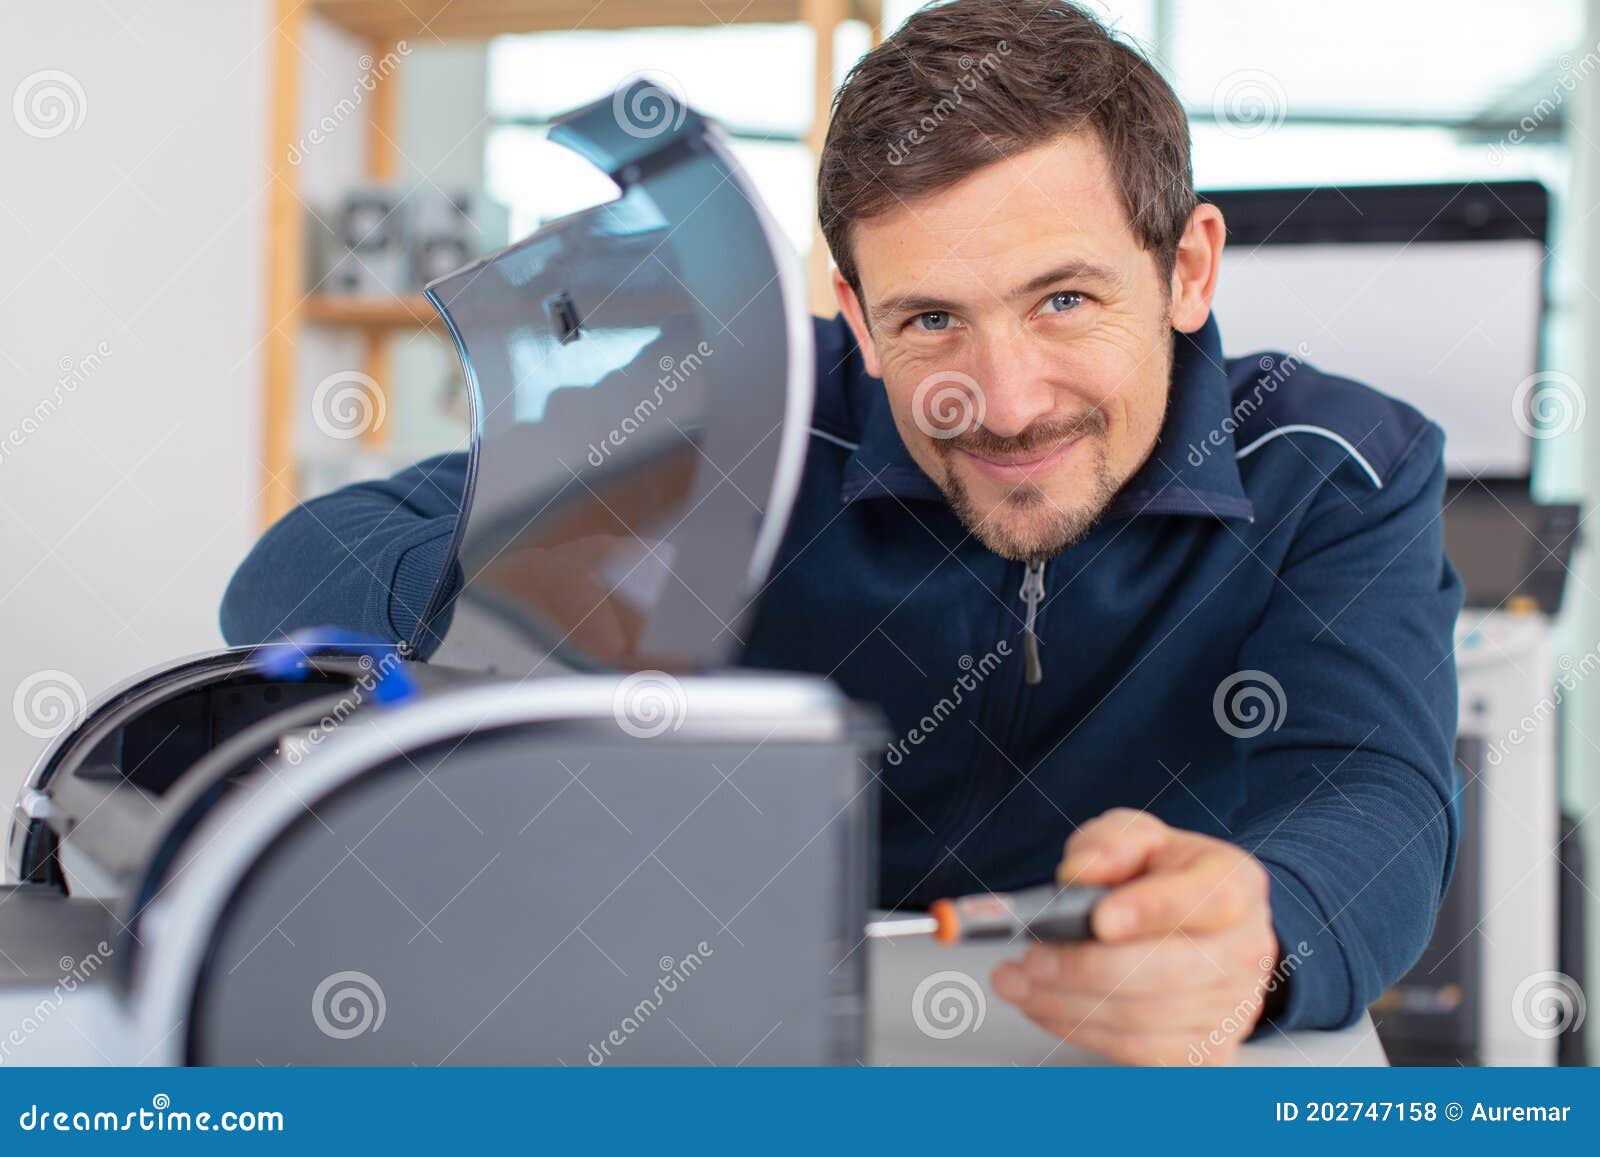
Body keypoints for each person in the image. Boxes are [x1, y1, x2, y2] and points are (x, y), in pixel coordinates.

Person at [221, 0, 1461, 1064]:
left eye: (1065, 299)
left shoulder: (1338, 466)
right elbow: (292, 573)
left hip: (1130, 1055)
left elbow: (1376, 790)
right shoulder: (737, 417)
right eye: (929, 322)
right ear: (855, 319)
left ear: (1187, 268)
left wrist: (1262, 931)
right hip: (747, 1041)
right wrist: (530, 588)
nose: (1007, 399)